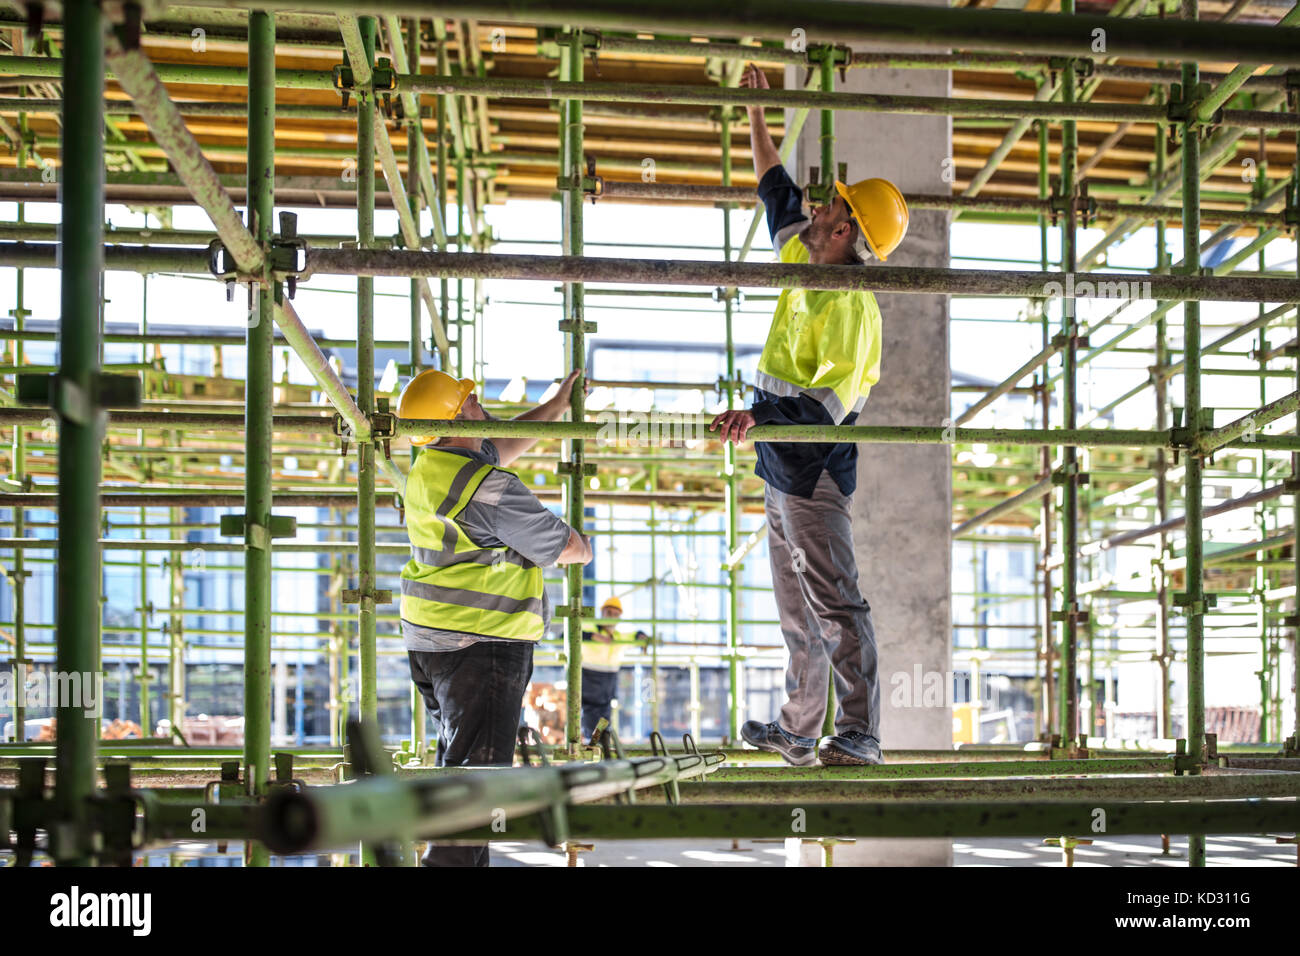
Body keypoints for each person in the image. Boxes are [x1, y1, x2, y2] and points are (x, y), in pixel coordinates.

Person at [709, 62, 909, 767]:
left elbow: (826, 409)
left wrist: (757, 420)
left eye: (835, 204)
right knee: (797, 609)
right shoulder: (802, 250)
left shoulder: (853, 308)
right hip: (778, 466)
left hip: (812, 469)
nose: (821, 202)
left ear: (847, 230)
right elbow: (774, 186)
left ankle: (860, 731)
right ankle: (799, 728)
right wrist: (760, 116)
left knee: (835, 605)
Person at [397, 368, 593, 866]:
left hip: (433, 645)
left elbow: (502, 444)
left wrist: (554, 407)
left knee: (460, 778)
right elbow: (572, 549)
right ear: (461, 414)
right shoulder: (489, 490)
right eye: (473, 401)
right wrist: (566, 536)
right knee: (476, 793)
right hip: (480, 649)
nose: (482, 406)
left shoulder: (430, 465)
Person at [580, 596, 650, 740]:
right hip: (589, 677)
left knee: (605, 714)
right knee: (590, 713)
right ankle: (591, 742)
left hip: (608, 680)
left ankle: (601, 743)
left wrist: (641, 636)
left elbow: (634, 635)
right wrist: (594, 636)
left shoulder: (617, 637)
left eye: (615, 614)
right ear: (602, 613)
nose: (611, 616)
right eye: (608, 612)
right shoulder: (590, 627)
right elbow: (568, 634)